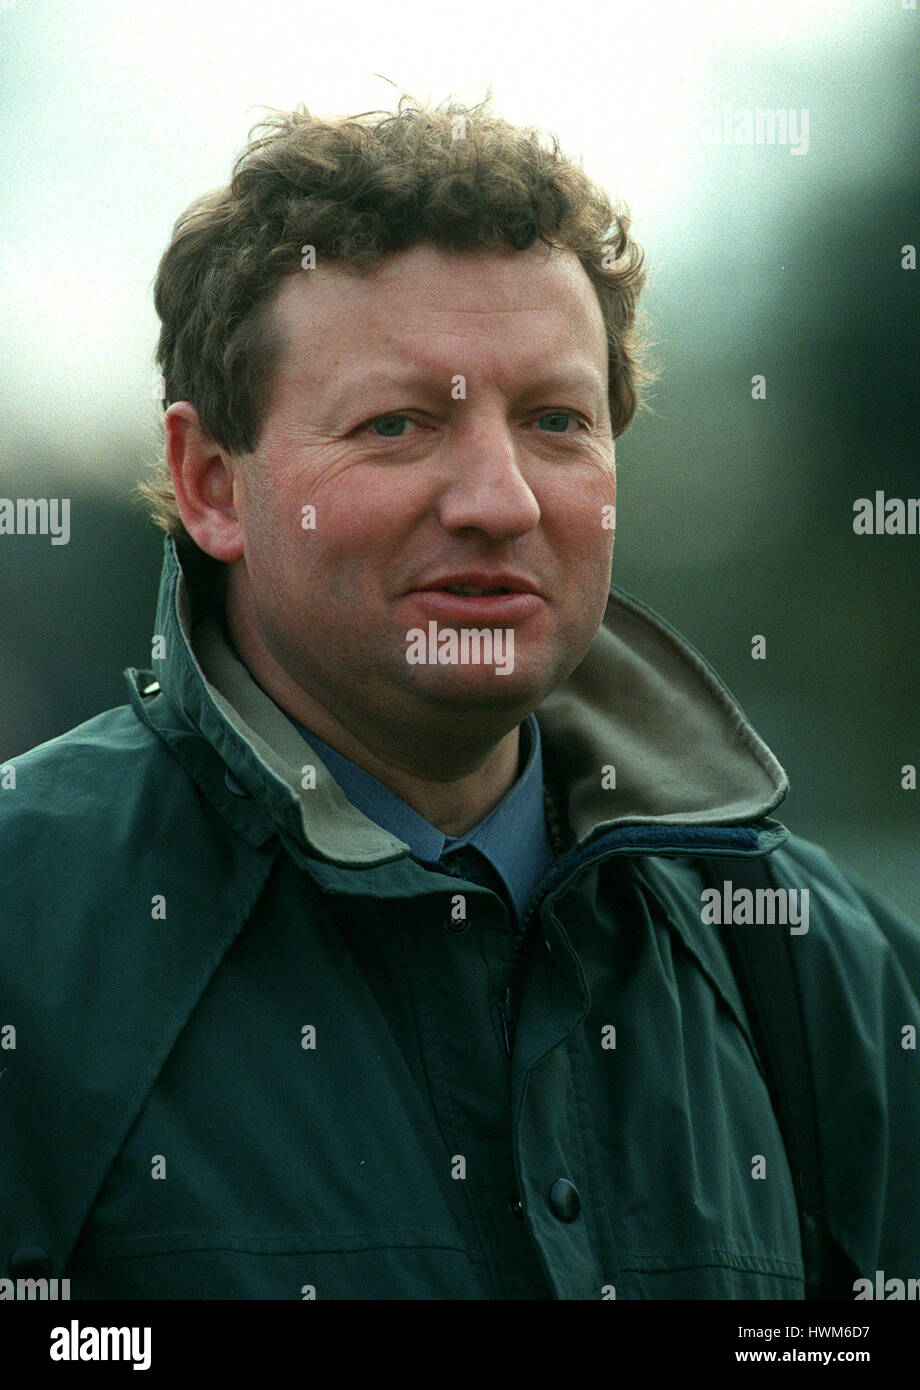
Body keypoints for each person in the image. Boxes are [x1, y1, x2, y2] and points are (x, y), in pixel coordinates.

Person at [2, 97, 918, 1302]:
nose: (500, 498)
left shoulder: (811, 967)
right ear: (212, 485)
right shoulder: (30, 936)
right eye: (398, 424)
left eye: (554, 422)